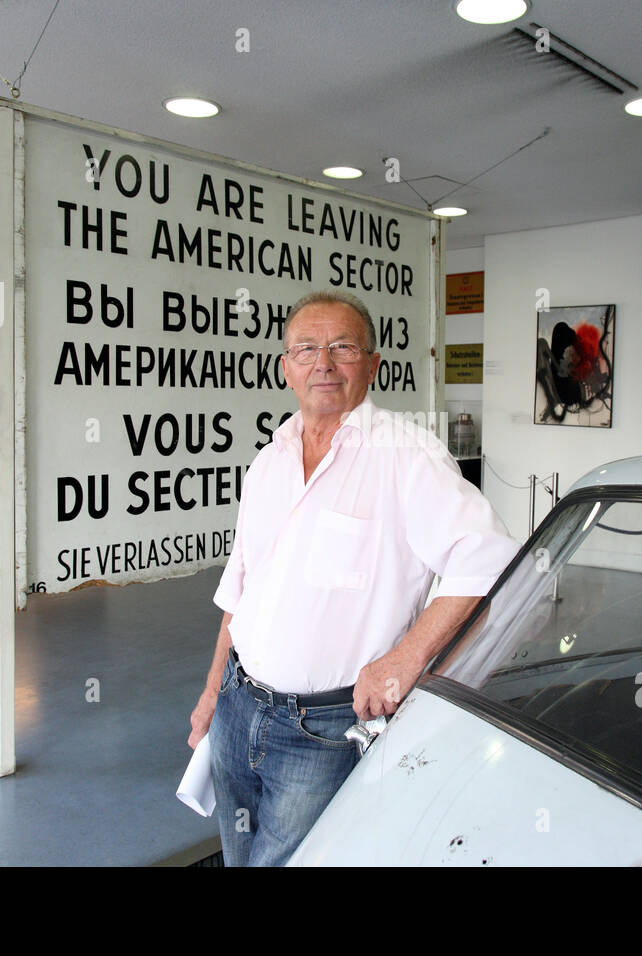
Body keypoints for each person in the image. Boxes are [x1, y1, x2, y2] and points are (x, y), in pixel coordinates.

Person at [187, 289, 517, 866]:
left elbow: (489, 558)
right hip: (238, 708)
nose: (324, 362)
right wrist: (213, 691)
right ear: (285, 365)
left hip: (323, 729)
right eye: (307, 348)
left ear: (373, 364)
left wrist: (406, 657)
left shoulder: (406, 455)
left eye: (343, 347)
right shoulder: (270, 461)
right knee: (238, 853)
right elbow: (241, 587)